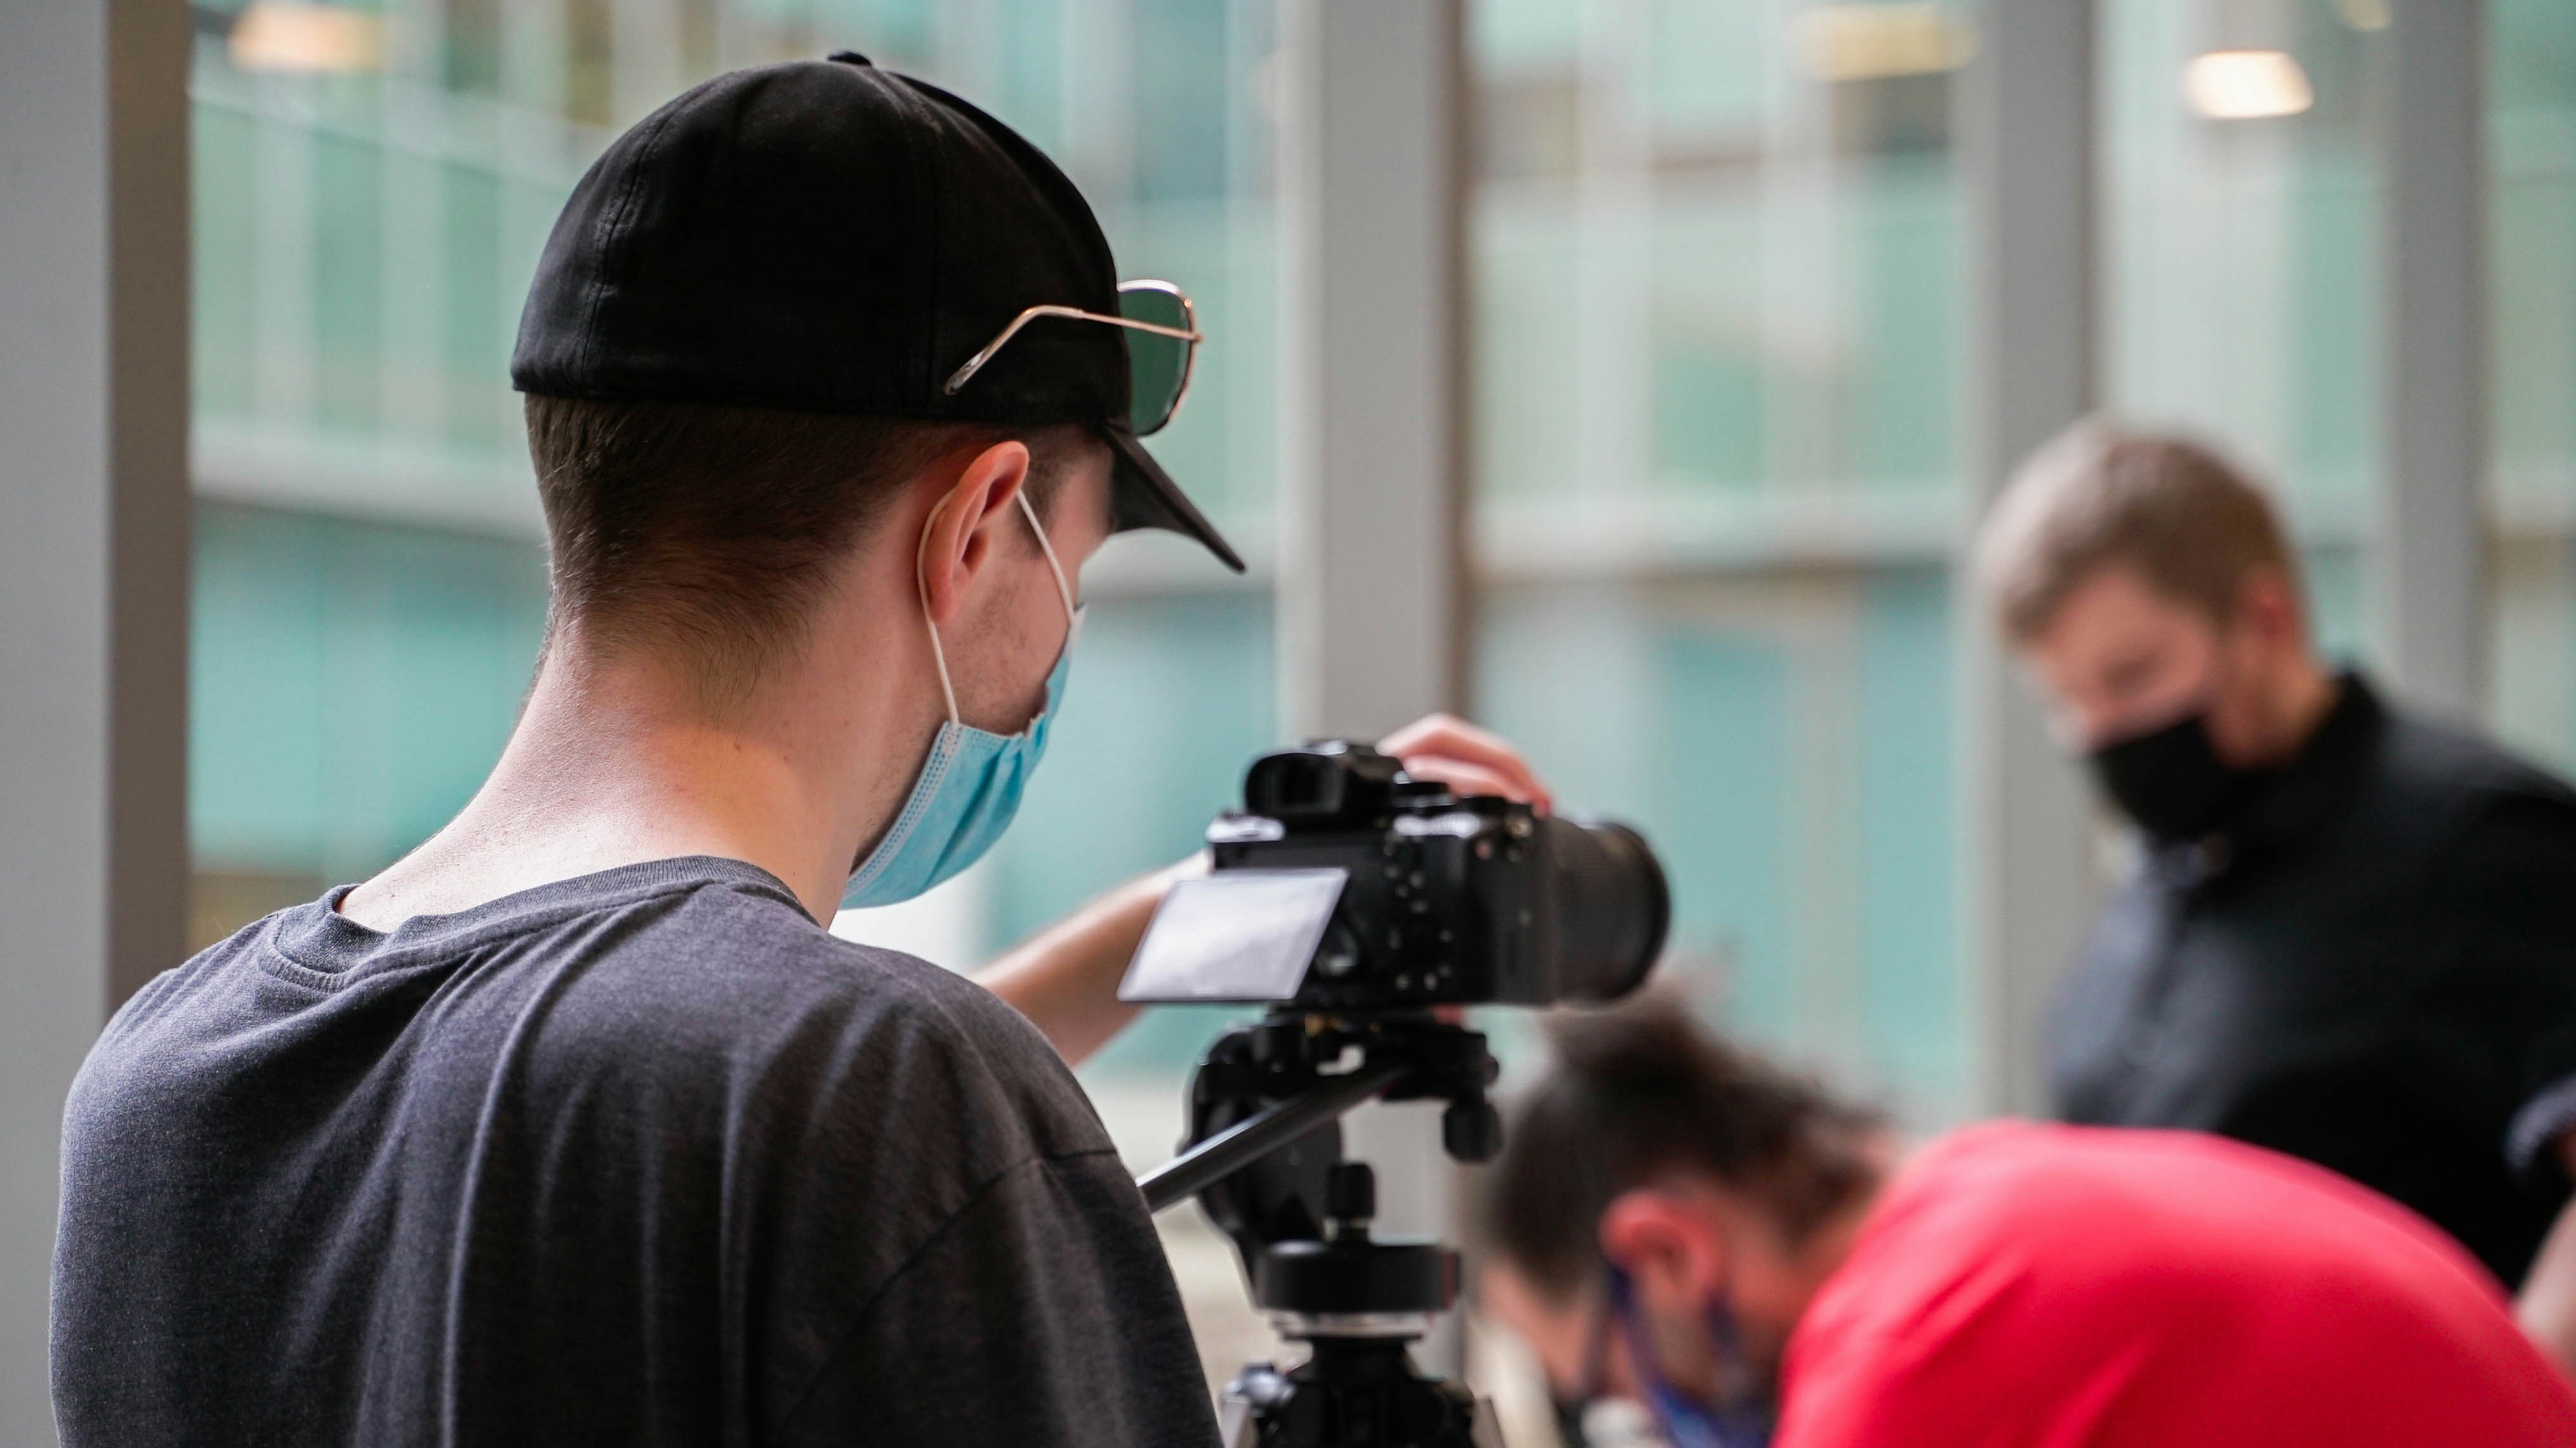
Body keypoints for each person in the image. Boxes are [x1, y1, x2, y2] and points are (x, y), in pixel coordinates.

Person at [49, 55, 1552, 1445]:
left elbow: (650, 1086)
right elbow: (769, 1101)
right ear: (975, 530)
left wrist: (1192, 922)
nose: (1055, 650)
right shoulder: (875, 1091)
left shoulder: (165, 1081)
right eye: (1069, 578)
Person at [1971, 421, 2576, 1365]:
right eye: (2066, 700)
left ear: (2265, 620)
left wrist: (2516, 1403)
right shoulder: (2161, 880)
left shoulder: (2476, 842)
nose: (2100, 734)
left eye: (2131, 678)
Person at [1474, 996, 2576, 1447]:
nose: (1653, 1420)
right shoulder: (1981, 1186)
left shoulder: (1907, 1353)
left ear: (1665, 1250)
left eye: (1611, 1385)